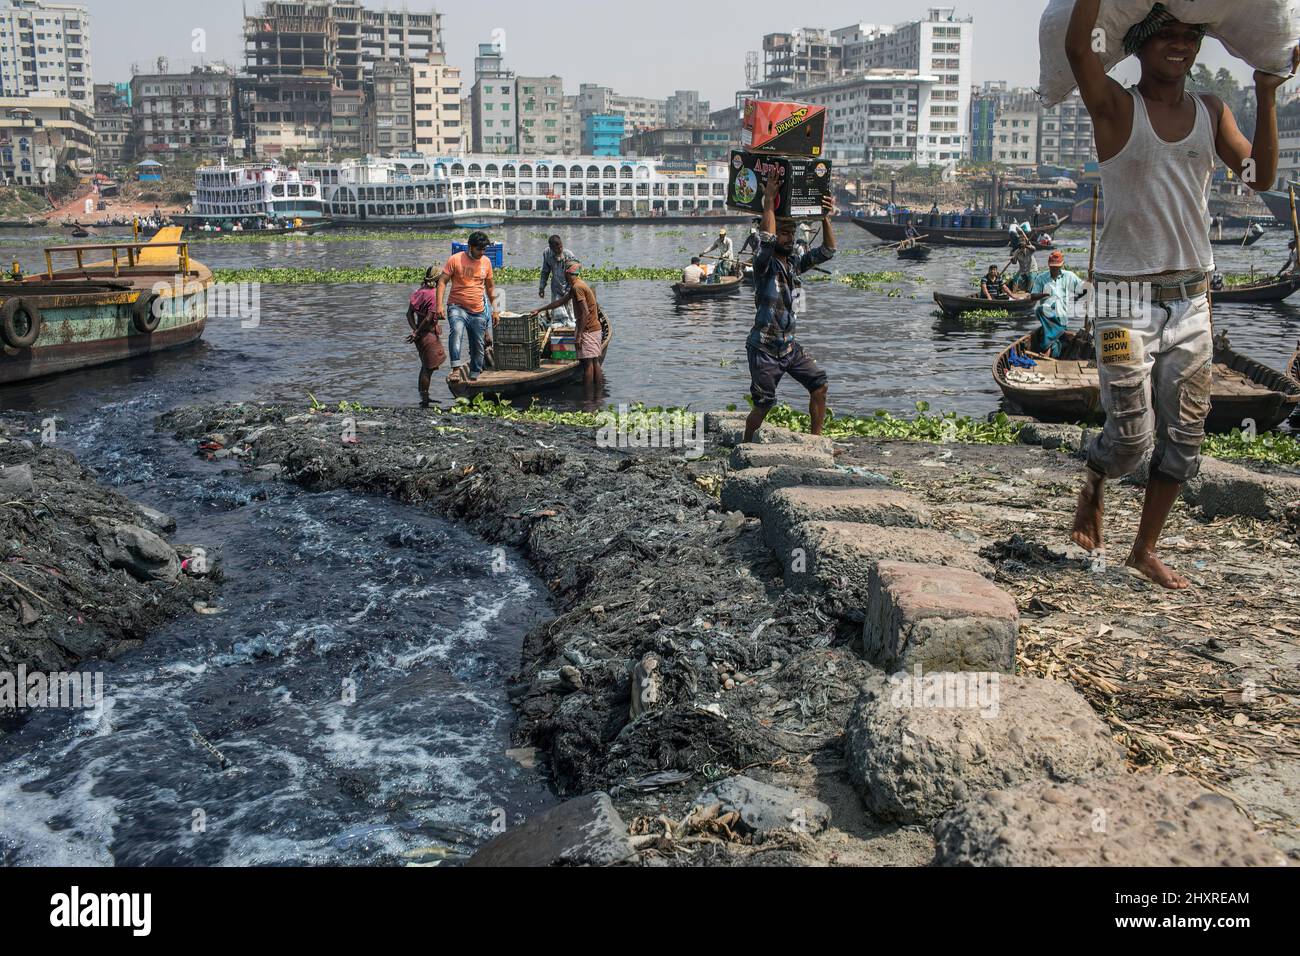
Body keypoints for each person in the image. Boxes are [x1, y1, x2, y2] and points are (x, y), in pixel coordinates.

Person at [1065, 0, 1298, 589]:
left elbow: (1259, 178)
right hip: (1120, 298)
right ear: (1138, 46)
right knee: (1129, 441)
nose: (1181, 45)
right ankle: (1096, 476)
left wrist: (1266, 93)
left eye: (1190, 36)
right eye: (1165, 34)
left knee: (1186, 440)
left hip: (1192, 299)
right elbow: (1076, 51)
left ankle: (1143, 550)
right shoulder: (1117, 107)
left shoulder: (1211, 112)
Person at [742, 173, 836, 443]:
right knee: (764, 403)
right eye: (785, 232)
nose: (789, 237)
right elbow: (767, 241)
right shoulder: (764, 266)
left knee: (819, 385)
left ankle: (815, 441)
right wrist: (769, 201)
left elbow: (828, 250)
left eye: (792, 233)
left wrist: (825, 218)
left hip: (789, 346)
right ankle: (746, 443)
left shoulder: (794, 264)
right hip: (765, 348)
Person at [531, 261, 605, 398]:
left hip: (589, 329)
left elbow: (585, 313)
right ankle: (597, 395)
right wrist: (540, 309)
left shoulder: (577, 287)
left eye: (564, 273)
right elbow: (561, 302)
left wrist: (579, 335)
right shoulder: (577, 285)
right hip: (594, 329)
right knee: (594, 362)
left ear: (567, 274)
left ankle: (588, 397)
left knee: (588, 363)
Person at [436, 231, 497, 384]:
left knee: (477, 343)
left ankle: (475, 374)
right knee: (456, 332)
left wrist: (496, 310)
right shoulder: (455, 260)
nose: (481, 252)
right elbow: (442, 281)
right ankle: (456, 368)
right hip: (457, 306)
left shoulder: (486, 262)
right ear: (470, 247)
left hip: (478, 310)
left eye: (484, 249)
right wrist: (439, 305)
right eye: (479, 249)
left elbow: (490, 288)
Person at [1029, 250, 1086, 357]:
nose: (1054, 269)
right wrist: (1044, 294)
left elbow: (1084, 289)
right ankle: (1059, 336)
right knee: (1040, 309)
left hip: (1062, 316)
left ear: (1062, 265)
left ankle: (1049, 349)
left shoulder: (1069, 276)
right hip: (1048, 318)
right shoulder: (1041, 278)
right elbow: (1032, 296)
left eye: (1057, 266)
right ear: (1049, 265)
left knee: (1053, 340)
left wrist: (1078, 297)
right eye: (1052, 266)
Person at [406, 264, 447, 407]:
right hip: (427, 335)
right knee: (428, 368)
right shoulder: (434, 294)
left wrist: (415, 330)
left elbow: (409, 313)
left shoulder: (419, 291)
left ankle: (422, 395)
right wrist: (417, 332)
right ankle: (425, 398)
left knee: (426, 366)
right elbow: (429, 318)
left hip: (421, 335)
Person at [539, 234, 578, 321]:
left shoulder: (569, 255)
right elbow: (545, 272)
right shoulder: (547, 253)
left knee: (570, 314)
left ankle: (573, 328)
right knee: (558, 314)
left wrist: (570, 291)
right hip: (556, 287)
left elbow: (575, 275)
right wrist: (541, 287)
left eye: (561, 246)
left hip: (568, 286)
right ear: (551, 248)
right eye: (557, 248)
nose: (560, 249)